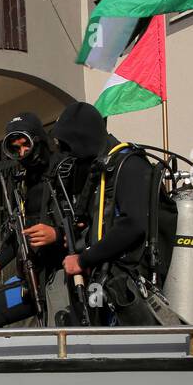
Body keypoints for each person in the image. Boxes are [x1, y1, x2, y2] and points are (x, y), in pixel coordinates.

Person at [53, 101, 170, 325]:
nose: (70, 155)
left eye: (70, 145)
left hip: (129, 285)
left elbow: (132, 225)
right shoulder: (105, 167)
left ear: (82, 138)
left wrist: (83, 260)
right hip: (108, 279)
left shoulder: (130, 165)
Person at [0, 112, 60, 329]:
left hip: (64, 275)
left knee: (55, 333)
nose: (23, 152)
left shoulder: (64, 171)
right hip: (31, 277)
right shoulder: (23, 183)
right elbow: (18, 232)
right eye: (16, 149)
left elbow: (87, 222)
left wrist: (57, 233)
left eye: (26, 144)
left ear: (39, 139)